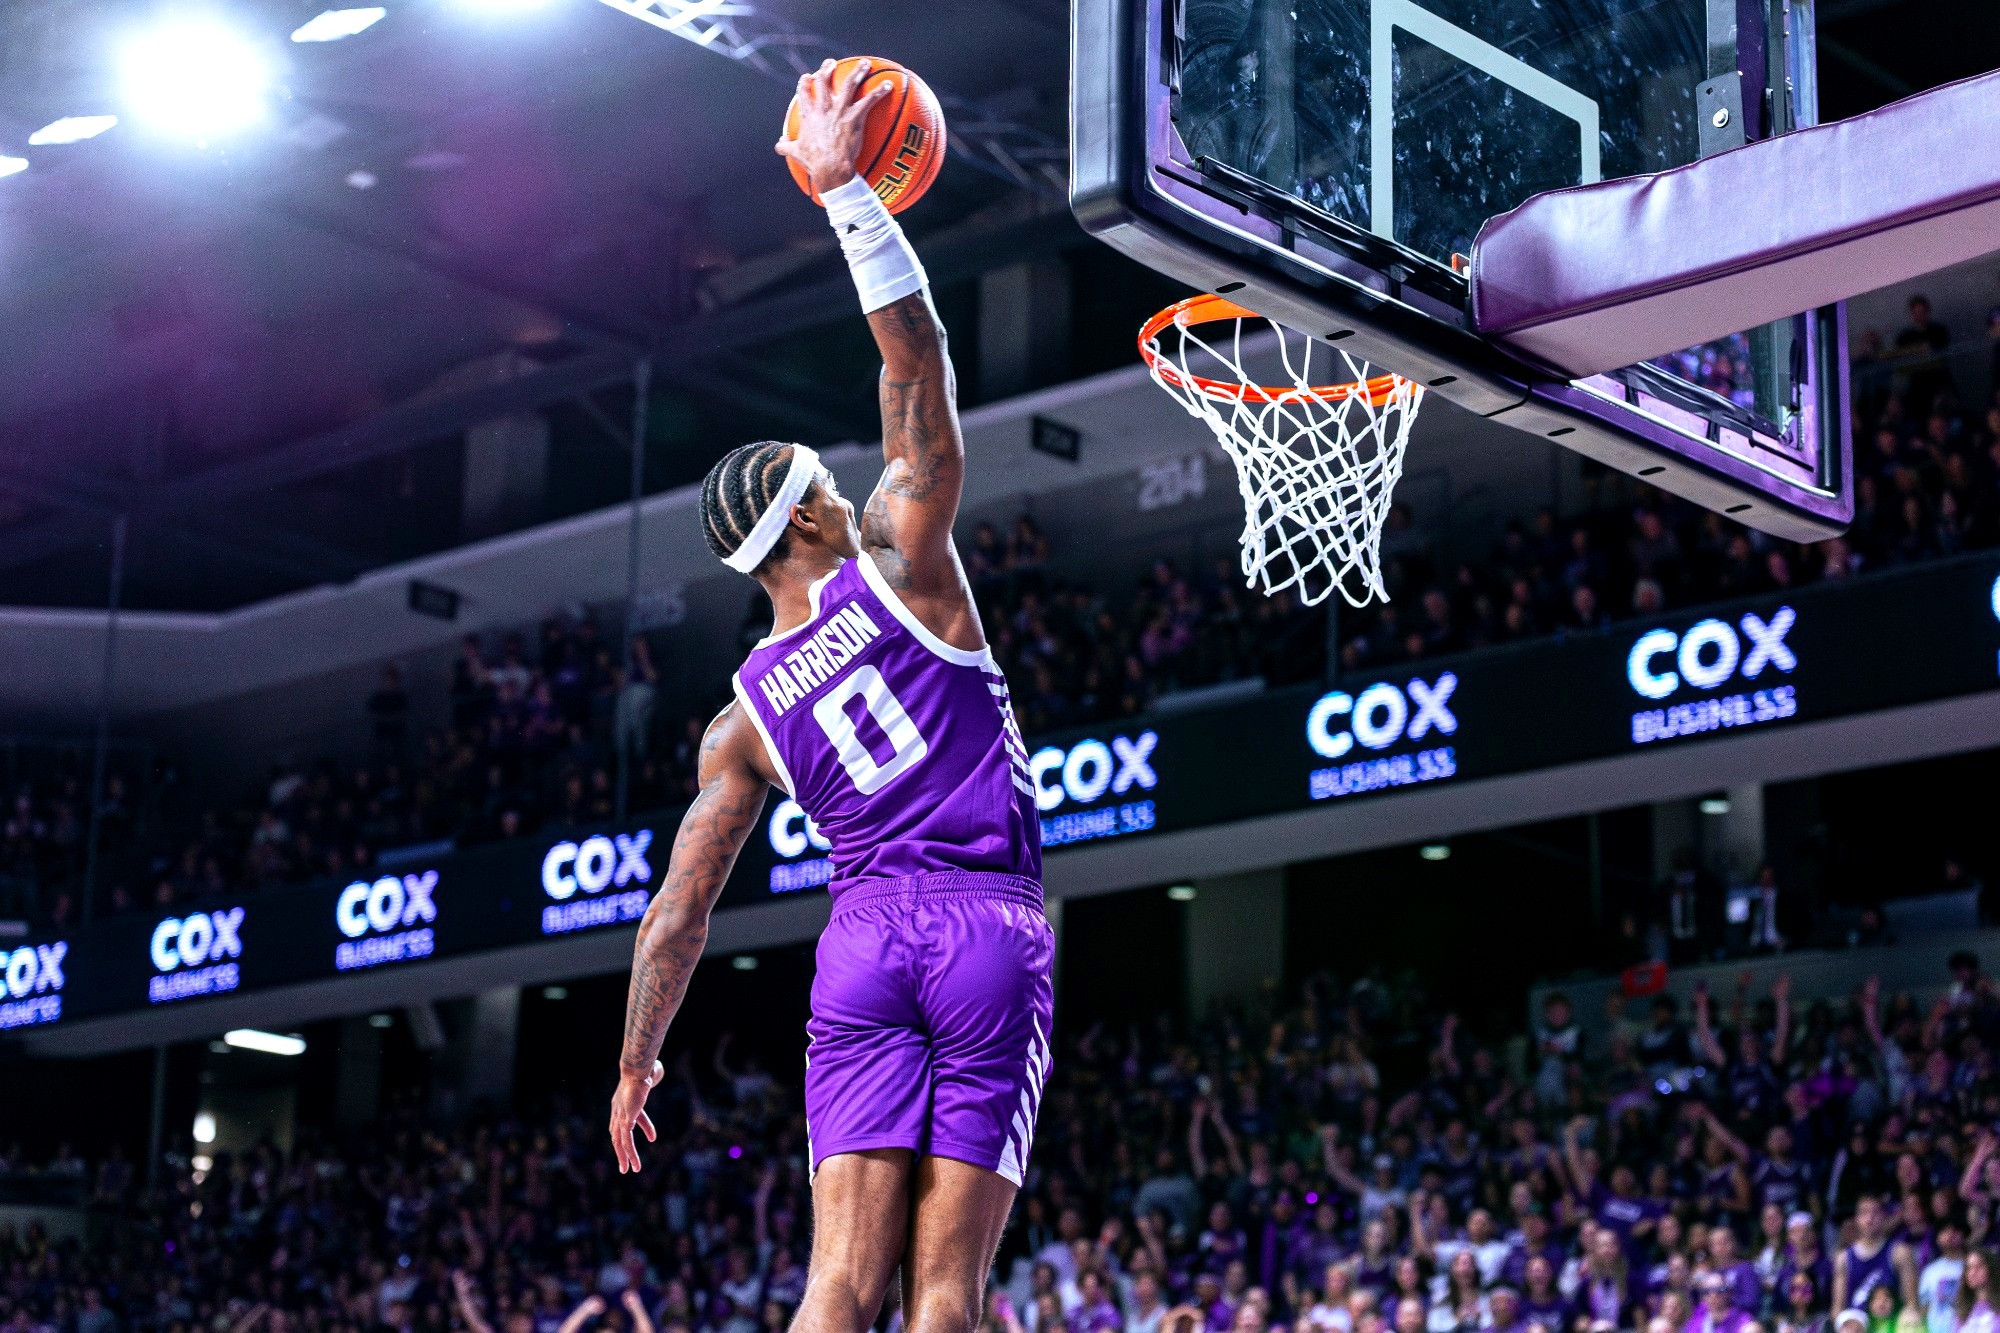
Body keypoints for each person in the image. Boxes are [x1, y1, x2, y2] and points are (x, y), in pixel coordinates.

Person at [606, 57, 1050, 1333]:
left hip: (858, 941)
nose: (855, 481)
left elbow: (677, 915)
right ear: (808, 508)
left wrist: (639, 1056)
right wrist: (852, 199)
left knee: (835, 1285)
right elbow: (919, 367)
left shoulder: (739, 717)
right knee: (943, 1293)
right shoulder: (907, 566)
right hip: (981, 927)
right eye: (830, 480)